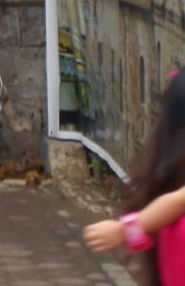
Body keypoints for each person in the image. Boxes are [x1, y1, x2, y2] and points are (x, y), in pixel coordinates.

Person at [83, 70, 185, 284]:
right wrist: (125, 230)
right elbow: (176, 202)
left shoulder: (164, 200)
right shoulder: (169, 207)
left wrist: (124, 230)